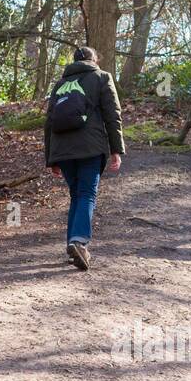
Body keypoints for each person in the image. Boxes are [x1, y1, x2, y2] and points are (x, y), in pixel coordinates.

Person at [44, 45, 125, 270]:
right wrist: (116, 149)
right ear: (94, 60)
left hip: (62, 148)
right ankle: (78, 241)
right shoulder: (102, 78)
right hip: (90, 146)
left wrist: (51, 158)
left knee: (76, 195)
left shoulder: (60, 85)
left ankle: (72, 248)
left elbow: (49, 122)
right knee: (87, 194)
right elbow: (113, 115)